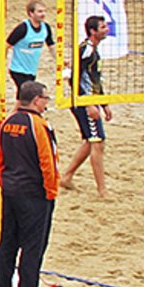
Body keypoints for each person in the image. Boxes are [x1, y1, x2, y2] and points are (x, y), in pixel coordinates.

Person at [0, 80, 59, 287]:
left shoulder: (7, 121)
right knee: (33, 245)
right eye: (45, 98)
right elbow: (48, 162)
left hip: (10, 190)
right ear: (36, 100)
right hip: (34, 193)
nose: (47, 103)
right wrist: (51, 192)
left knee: (7, 242)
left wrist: (4, 183)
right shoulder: (38, 125)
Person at [61, 16, 113, 199]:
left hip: (88, 101)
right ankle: (102, 190)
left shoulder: (93, 50)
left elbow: (95, 79)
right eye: (103, 27)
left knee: (90, 141)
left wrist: (104, 104)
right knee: (97, 143)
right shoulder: (86, 50)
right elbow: (74, 78)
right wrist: (89, 103)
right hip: (83, 102)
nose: (106, 29)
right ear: (93, 31)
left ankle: (66, 177)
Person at [0, 0, 53, 98]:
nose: (43, 14)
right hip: (18, 69)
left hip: (31, 70)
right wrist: (0, 68)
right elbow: (6, 46)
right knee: (28, 96)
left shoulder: (46, 28)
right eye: (40, 11)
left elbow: (51, 46)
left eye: (44, 11)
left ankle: (14, 113)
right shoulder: (23, 28)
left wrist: (60, 61)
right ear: (31, 13)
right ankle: (16, 113)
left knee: (23, 99)